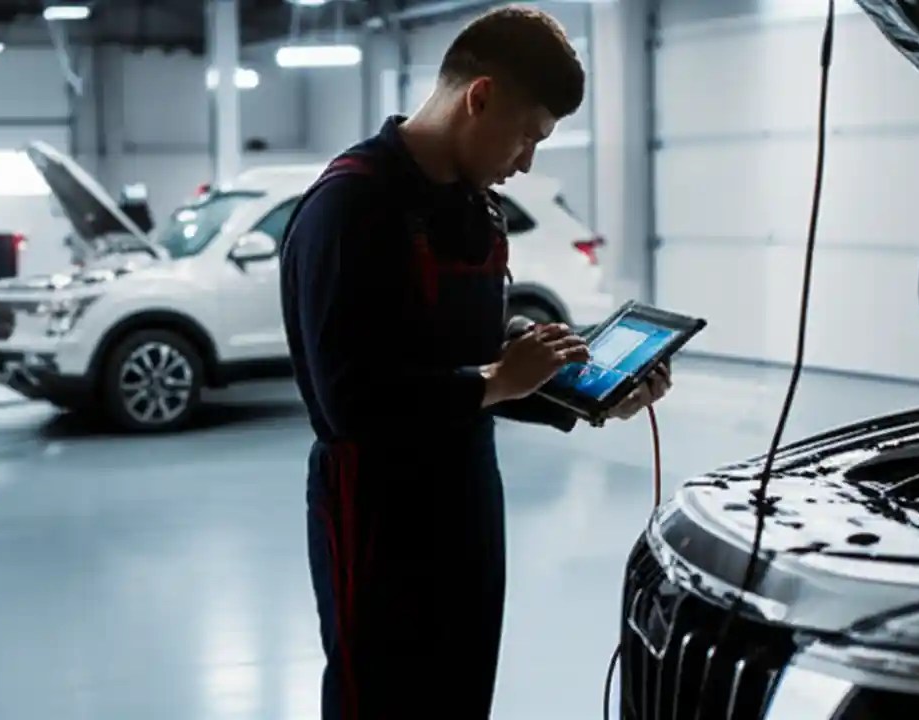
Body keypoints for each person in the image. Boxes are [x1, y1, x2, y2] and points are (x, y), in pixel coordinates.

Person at [279, 5, 672, 717]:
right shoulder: (350, 208)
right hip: (376, 514)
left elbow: (477, 372)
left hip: (465, 499)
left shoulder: (474, 209)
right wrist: (494, 378)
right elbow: (350, 402)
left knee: (460, 694)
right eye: (526, 135)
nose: (525, 161)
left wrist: (583, 396)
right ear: (479, 96)